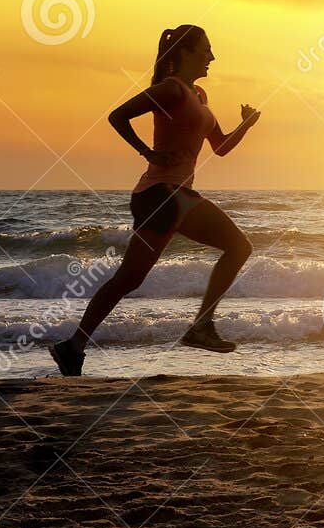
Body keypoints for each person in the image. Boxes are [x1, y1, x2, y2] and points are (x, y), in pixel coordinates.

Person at [50, 24, 261, 376]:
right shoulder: (170, 90)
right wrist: (147, 152)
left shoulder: (199, 96)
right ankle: (199, 328)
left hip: (175, 196)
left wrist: (247, 125)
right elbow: (118, 116)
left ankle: (72, 347)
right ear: (185, 52)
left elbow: (220, 147)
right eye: (206, 49)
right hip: (161, 195)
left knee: (130, 279)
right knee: (234, 248)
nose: (212, 56)